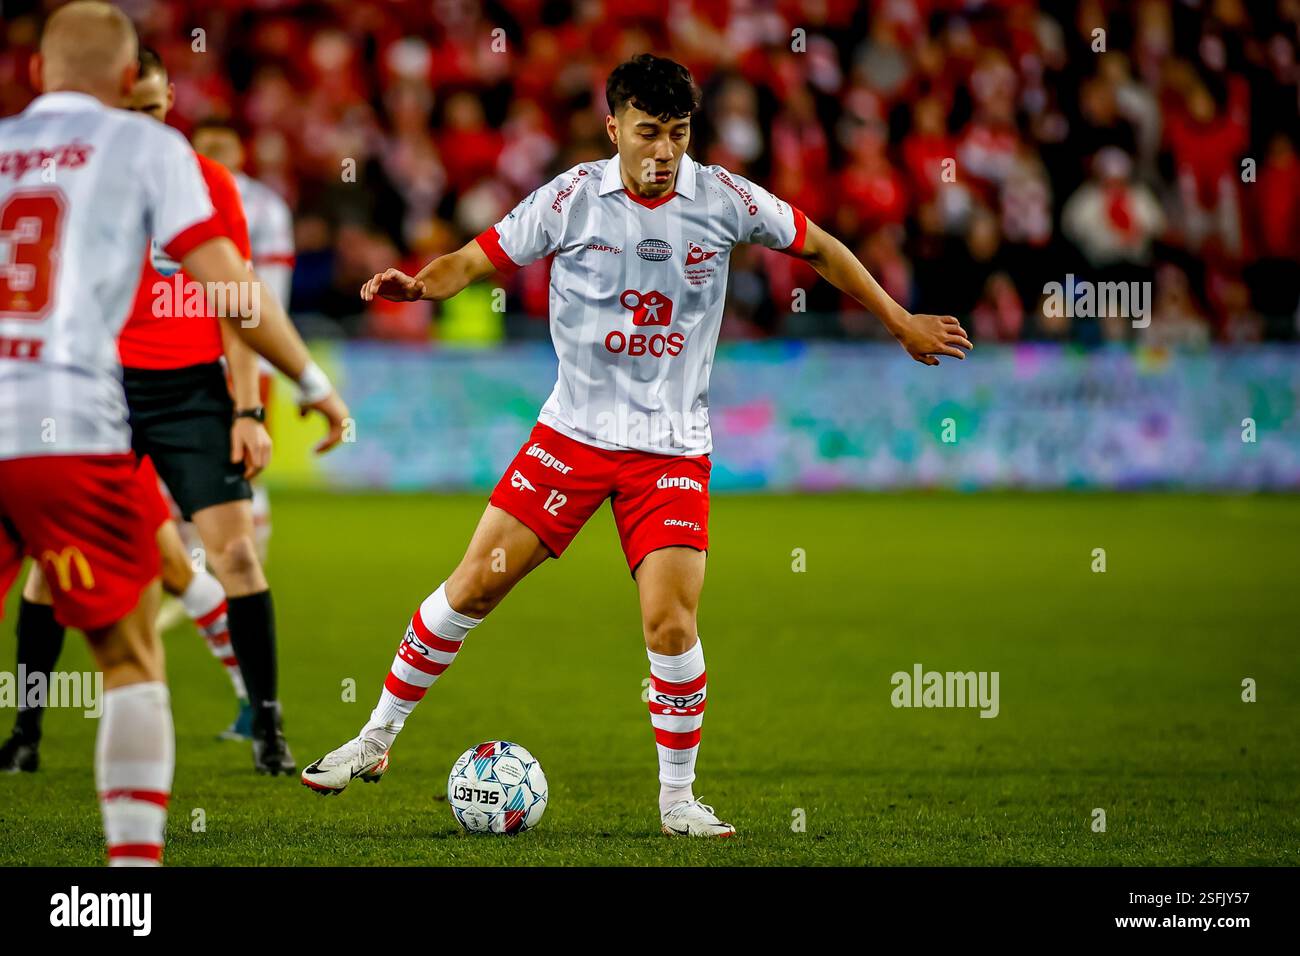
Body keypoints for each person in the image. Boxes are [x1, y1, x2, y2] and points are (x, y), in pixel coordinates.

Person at [301, 54, 969, 837]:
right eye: (648, 132)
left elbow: (818, 245)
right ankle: (374, 739)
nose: (663, 151)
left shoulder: (722, 198)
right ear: (614, 126)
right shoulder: (571, 198)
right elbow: (477, 257)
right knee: (472, 587)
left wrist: (898, 319)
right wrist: (421, 285)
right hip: (571, 437)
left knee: (671, 626)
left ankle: (677, 800)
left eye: (677, 135)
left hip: (672, 450)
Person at [0, 0, 348, 863]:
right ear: (125, 83)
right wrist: (308, 380)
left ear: (37, 73)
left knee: (220, 558)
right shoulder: (147, 156)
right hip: (79, 411)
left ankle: (264, 723)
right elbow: (236, 289)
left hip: (175, 396)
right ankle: (127, 869)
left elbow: (222, 315)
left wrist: (245, 405)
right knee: (125, 649)